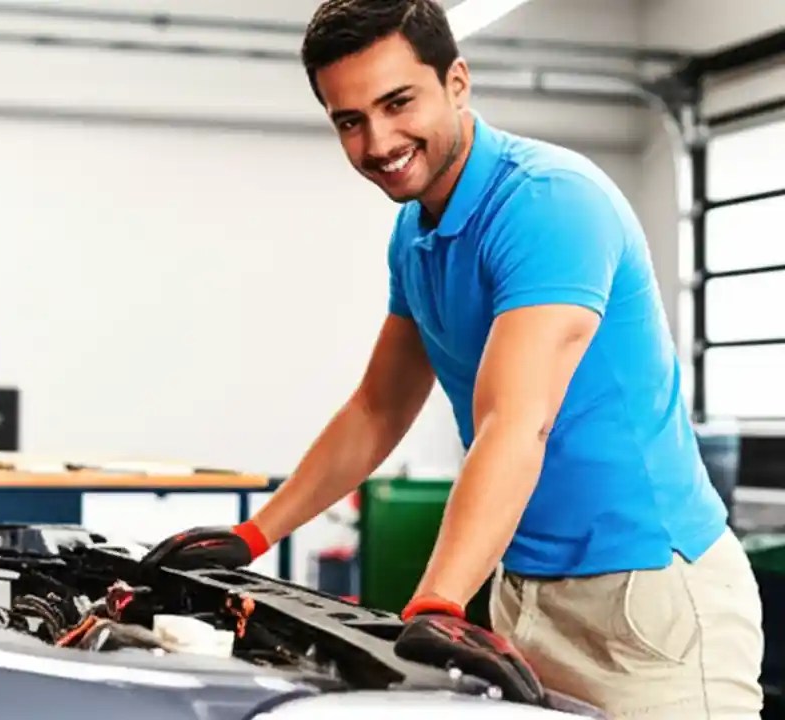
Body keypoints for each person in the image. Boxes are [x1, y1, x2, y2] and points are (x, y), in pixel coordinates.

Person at [140, 0, 765, 716]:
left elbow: (514, 422)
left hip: (647, 603)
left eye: (397, 103)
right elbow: (377, 409)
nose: (378, 140)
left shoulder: (549, 204)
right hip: (526, 589)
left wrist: (437, 596)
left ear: (457, 83)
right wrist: (256, 533)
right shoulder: (414, 234)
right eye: (350, 120)